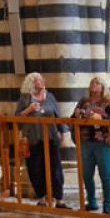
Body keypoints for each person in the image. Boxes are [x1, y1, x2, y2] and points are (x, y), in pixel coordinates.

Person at [16, 73, 68, 208]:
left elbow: (58, 114)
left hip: (51, 137)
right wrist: (28, 110)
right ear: (32, 83)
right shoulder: (25, 98)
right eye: (39, 80)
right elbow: (16, 118)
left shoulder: (50, 97)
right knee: (36, 168)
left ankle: (59, 199)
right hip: (33, 138)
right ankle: (41, 198)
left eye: (42, 79)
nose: (42, 82)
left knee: (55, 168)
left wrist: (63, 132)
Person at [72, 77, 110, 214]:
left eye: (97, 83)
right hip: (86, 142)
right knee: (86, 174)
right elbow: (72, 119)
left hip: (102, 143)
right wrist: (76, 116)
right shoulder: (83, 102)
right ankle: (92, 202)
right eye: (92, 82)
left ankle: (107, 204)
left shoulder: (108, 103)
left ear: (103, 87)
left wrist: (102, 119)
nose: (94, 84)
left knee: (105, 175)